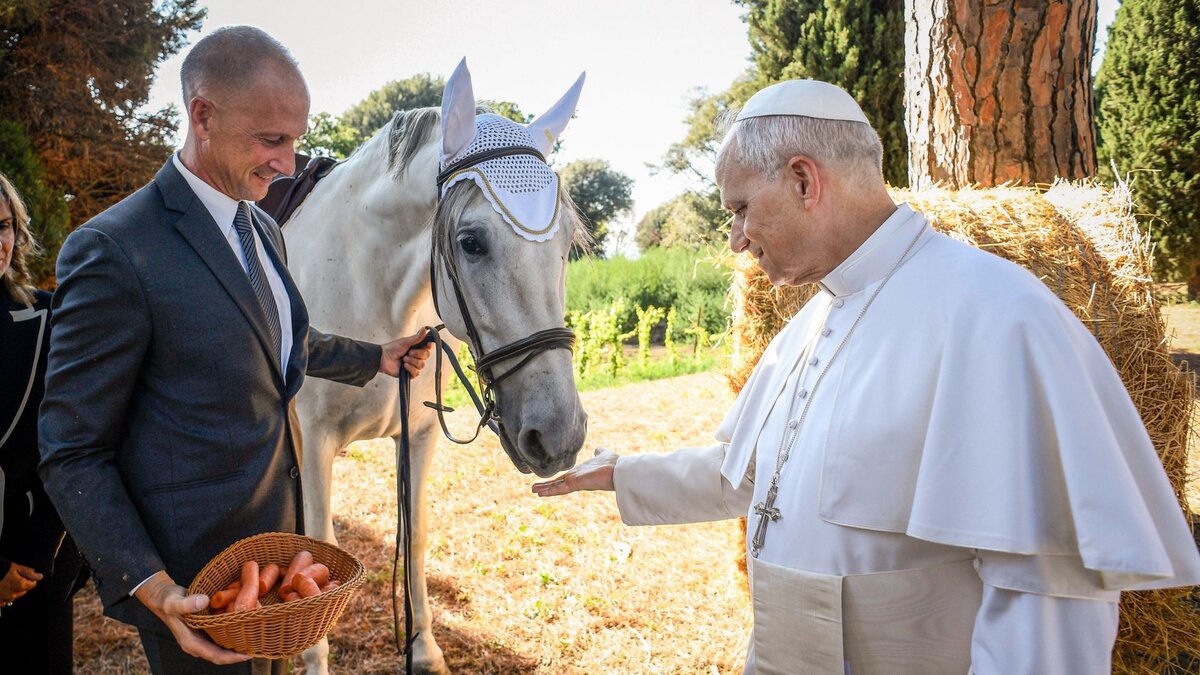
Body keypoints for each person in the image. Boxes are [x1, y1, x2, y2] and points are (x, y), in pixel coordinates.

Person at [534, 80, 1200, 674]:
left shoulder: (999, 317)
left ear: (804, 180)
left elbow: (1050, 600)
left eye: (739, 207)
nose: (735, 238)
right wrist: (622, 474)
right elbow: (747, 473)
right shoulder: (807, 325)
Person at [37, 26, 432, 674]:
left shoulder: (266, 231)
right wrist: (152, 584)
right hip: (198, 591)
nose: (289, 162)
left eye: (295, 140)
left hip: (279, 570)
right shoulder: (113, 250)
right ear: (202, 116)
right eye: (271, 139)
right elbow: (70, 450)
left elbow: (280, 339)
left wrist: (375, 356)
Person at [0, 172, 86, 673]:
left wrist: (26, 564)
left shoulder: (52, 320)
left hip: (34, 558)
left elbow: (74, 442)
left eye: (4, 226)